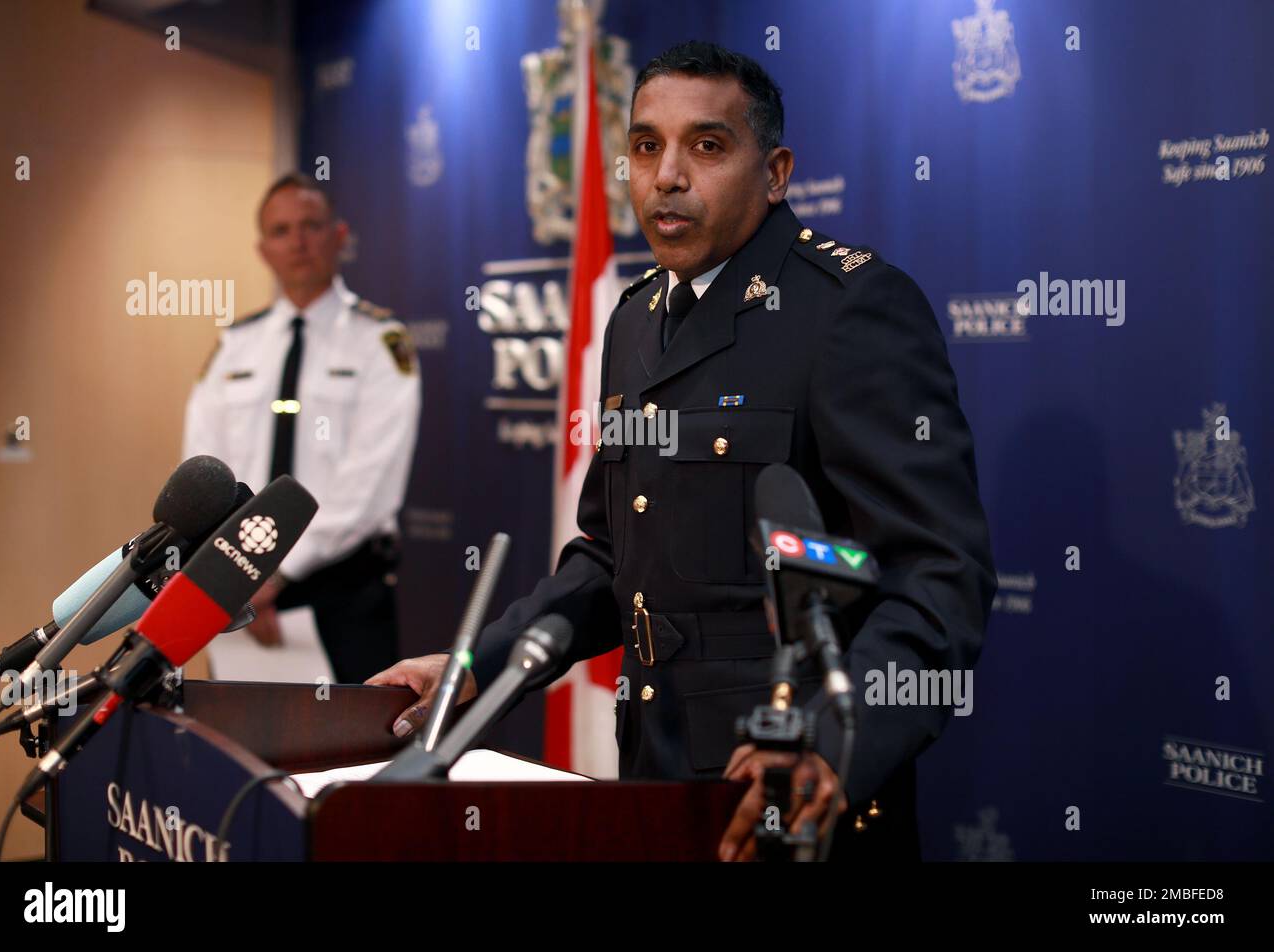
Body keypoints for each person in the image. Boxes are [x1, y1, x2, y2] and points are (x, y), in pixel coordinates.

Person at [368, 42, 995, 860]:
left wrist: (828, 742)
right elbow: (606, 557)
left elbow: (936, 575)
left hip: (784, 794)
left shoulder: (851, 311)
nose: (667, 176)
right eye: (644, 146)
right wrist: (473, 667)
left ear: (774, 173)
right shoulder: (633, 319)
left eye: (706, 146)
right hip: (654, 776)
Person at [184, 173, 422, 683]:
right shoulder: (235, 347)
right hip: (236, 590)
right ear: (263, 249)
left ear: (339, 236)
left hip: (342, 591)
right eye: (281, 230)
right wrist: (238, 575)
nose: (297, 241)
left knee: (357, 756)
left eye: (311, 226)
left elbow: (371, 484)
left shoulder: (380, 341)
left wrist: (275, 573)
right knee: (242, 754)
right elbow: (204, 471)